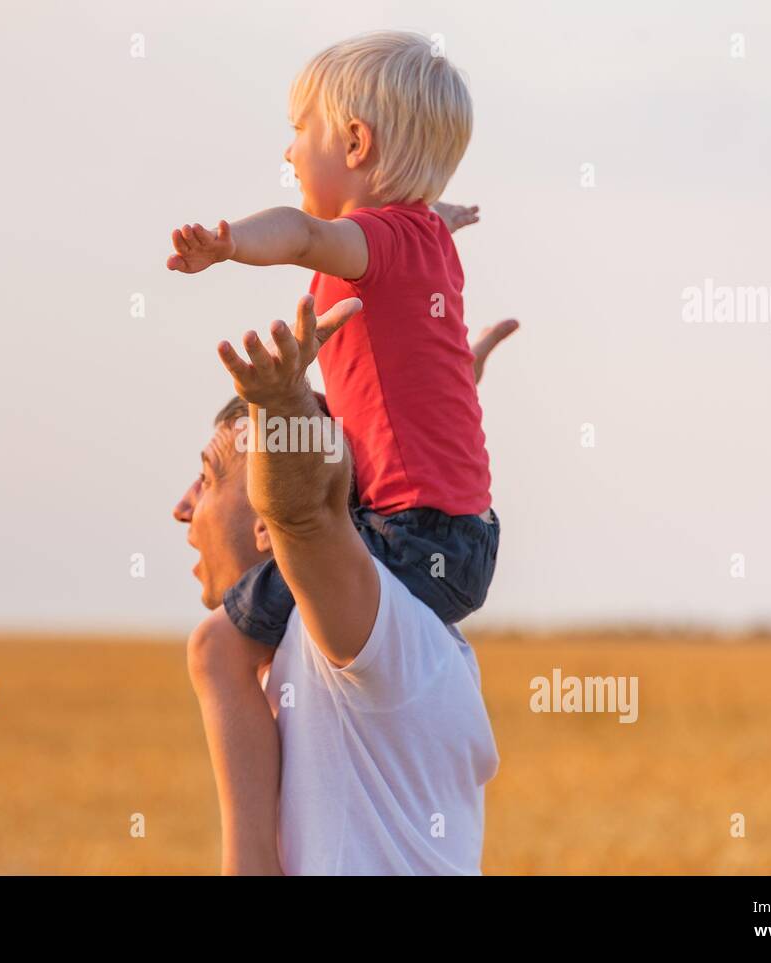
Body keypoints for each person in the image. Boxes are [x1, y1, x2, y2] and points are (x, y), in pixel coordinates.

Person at [166, 30, 503, 873]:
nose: (287, 151)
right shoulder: (425, 238)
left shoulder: (373, 241)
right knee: (224, 643)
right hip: (457, 533)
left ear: (355, 143)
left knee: (215, 646)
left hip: (412, 536)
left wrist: (229, 242)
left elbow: (304, 234)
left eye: (298, 132)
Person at [175, 294, 518, 874]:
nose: (183, 507)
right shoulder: (335, 646)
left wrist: (281, 404)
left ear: (268, 521)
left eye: (207, 478)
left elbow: (309, 516)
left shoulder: (366, 641)